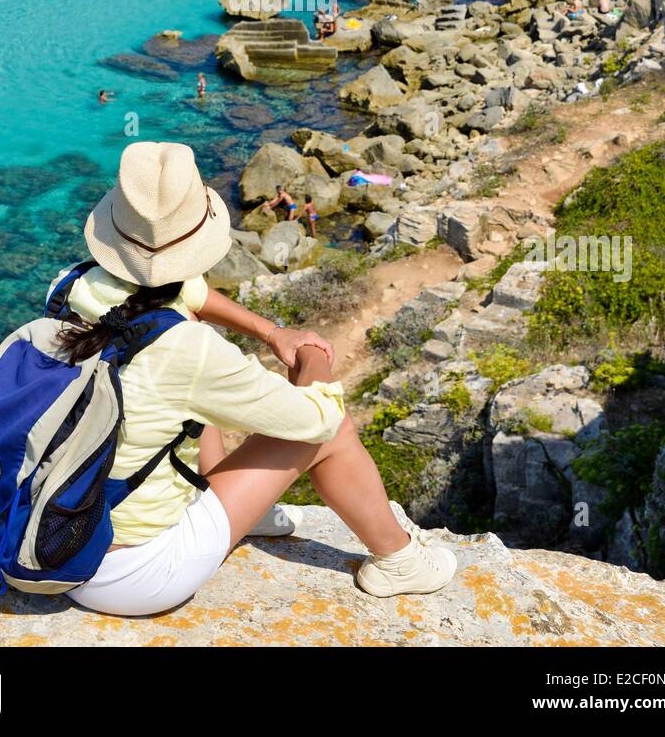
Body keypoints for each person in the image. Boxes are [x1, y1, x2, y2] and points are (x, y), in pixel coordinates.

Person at [52, 142, 455, 618]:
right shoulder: (192, 352)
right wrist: (309, 355)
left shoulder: (69, 287)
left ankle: (236, 506)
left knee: (178, 393)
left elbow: (188, 295)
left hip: (59, 535)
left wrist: (272, 331)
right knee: (332, 427)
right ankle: (399, 560)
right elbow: (318, 421)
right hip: (132, 576)